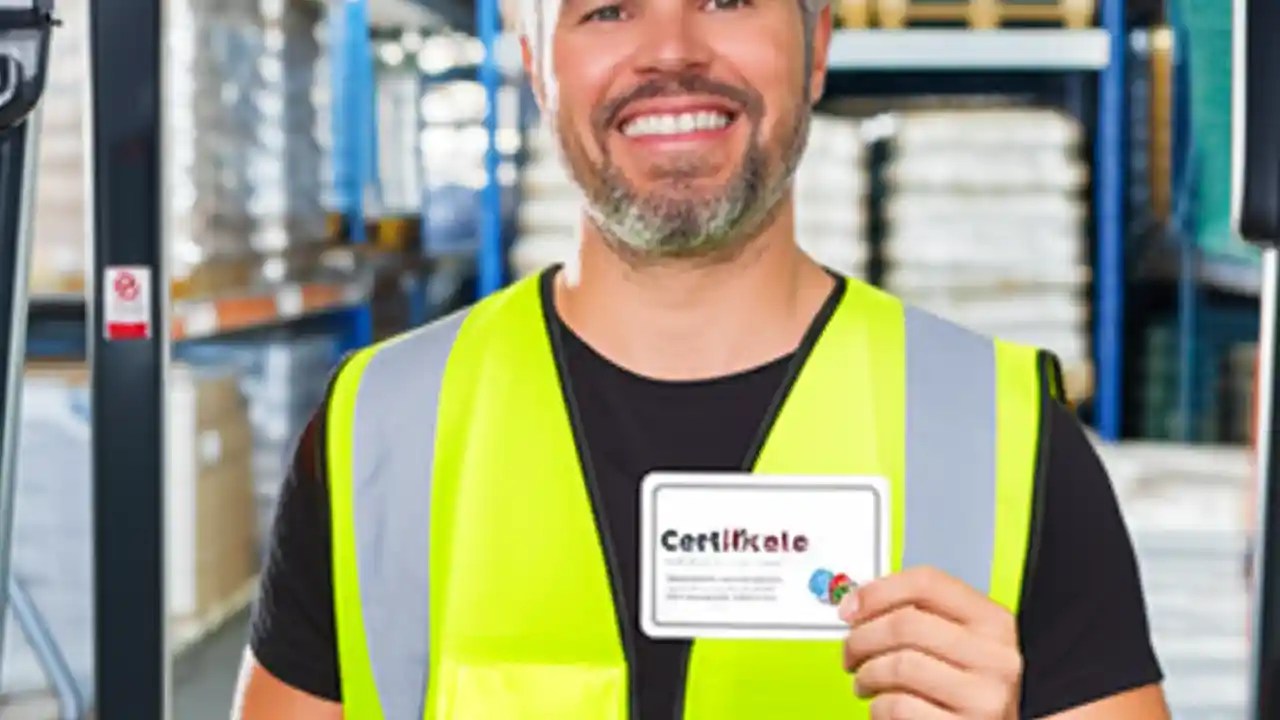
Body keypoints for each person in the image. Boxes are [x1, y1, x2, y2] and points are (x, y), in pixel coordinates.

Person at [232, 0, 1172, 715]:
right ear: (533, 63)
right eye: (607, 7)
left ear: (818, 50)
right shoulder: (379, 429)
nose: (673, 50)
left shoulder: (1004, 431)